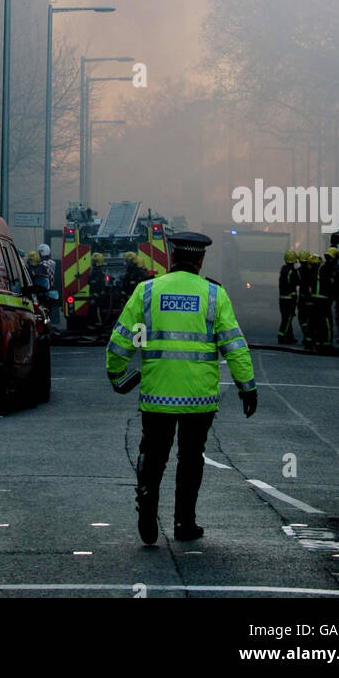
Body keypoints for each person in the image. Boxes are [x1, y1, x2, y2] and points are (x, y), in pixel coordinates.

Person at [106, 231, 257, 545]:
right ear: (201, 259)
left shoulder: (147, 291)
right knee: (191, 459)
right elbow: (234, 346)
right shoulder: (214, 295)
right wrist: (247, 387)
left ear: (171, 256)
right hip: (198, 400)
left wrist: (117, 375)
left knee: (153, 455)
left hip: (157, 396)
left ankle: (147, 514)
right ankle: (184, 524)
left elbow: (122, 339)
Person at [278, 250, 299, 345]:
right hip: (289, 299)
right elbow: (296, 282)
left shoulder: (283, 269)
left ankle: (290, 337)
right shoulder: (292, 271)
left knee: (286, 318)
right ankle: (281, 336)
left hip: (282, 298)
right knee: (287, 319)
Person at [297, 252, 317, 350]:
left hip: (302, 299)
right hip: (311, 299)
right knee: (311, 320)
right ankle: (310, 339)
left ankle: (307, 338)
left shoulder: (299, 271)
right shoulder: (313, 271)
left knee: (303, 319)